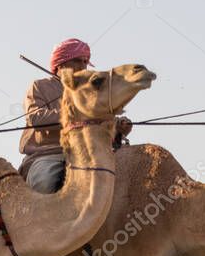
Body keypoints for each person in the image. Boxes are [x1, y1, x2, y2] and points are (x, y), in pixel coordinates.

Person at [19, 38, 132, 193]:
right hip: (49, 154)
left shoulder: (90, 93)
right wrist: (77, 114)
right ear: (61, 64)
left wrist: (117, 129)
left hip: (89, 154)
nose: (83, 66)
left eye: (85, 62)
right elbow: (35, 119)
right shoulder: (39, 86)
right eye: (77, 61)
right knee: (45, 183)